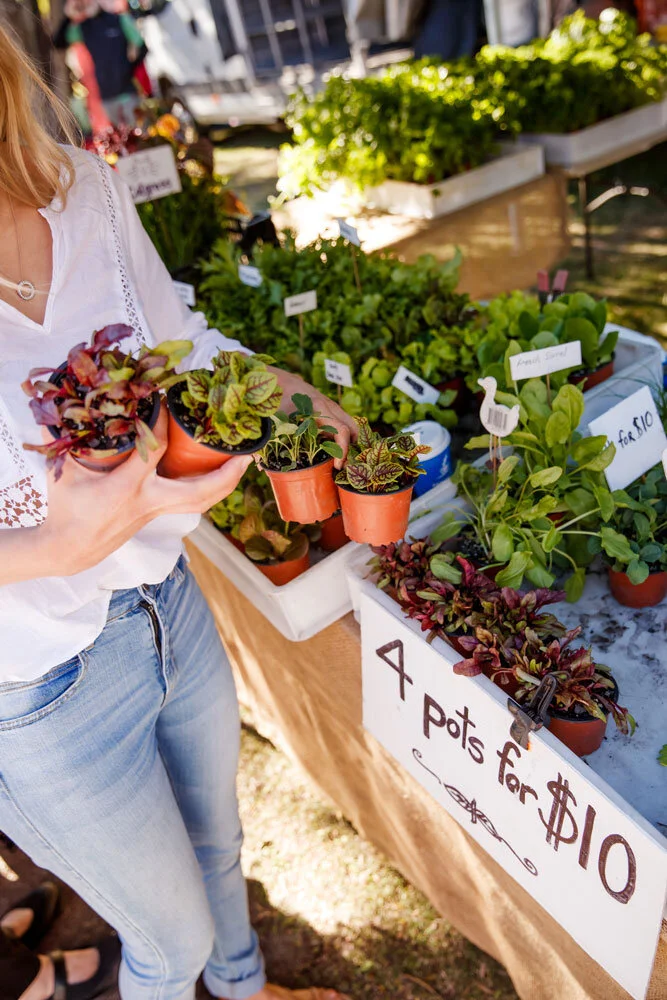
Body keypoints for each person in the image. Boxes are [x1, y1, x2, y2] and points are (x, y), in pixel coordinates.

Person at [0, 25, 353, 1000]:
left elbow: (177, 338)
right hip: (35, 683)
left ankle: (245, 990)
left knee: (219, 839)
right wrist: (53, 543)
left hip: (166, 601)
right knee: (168, 940)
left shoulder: (88, 190)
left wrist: (281, 386)